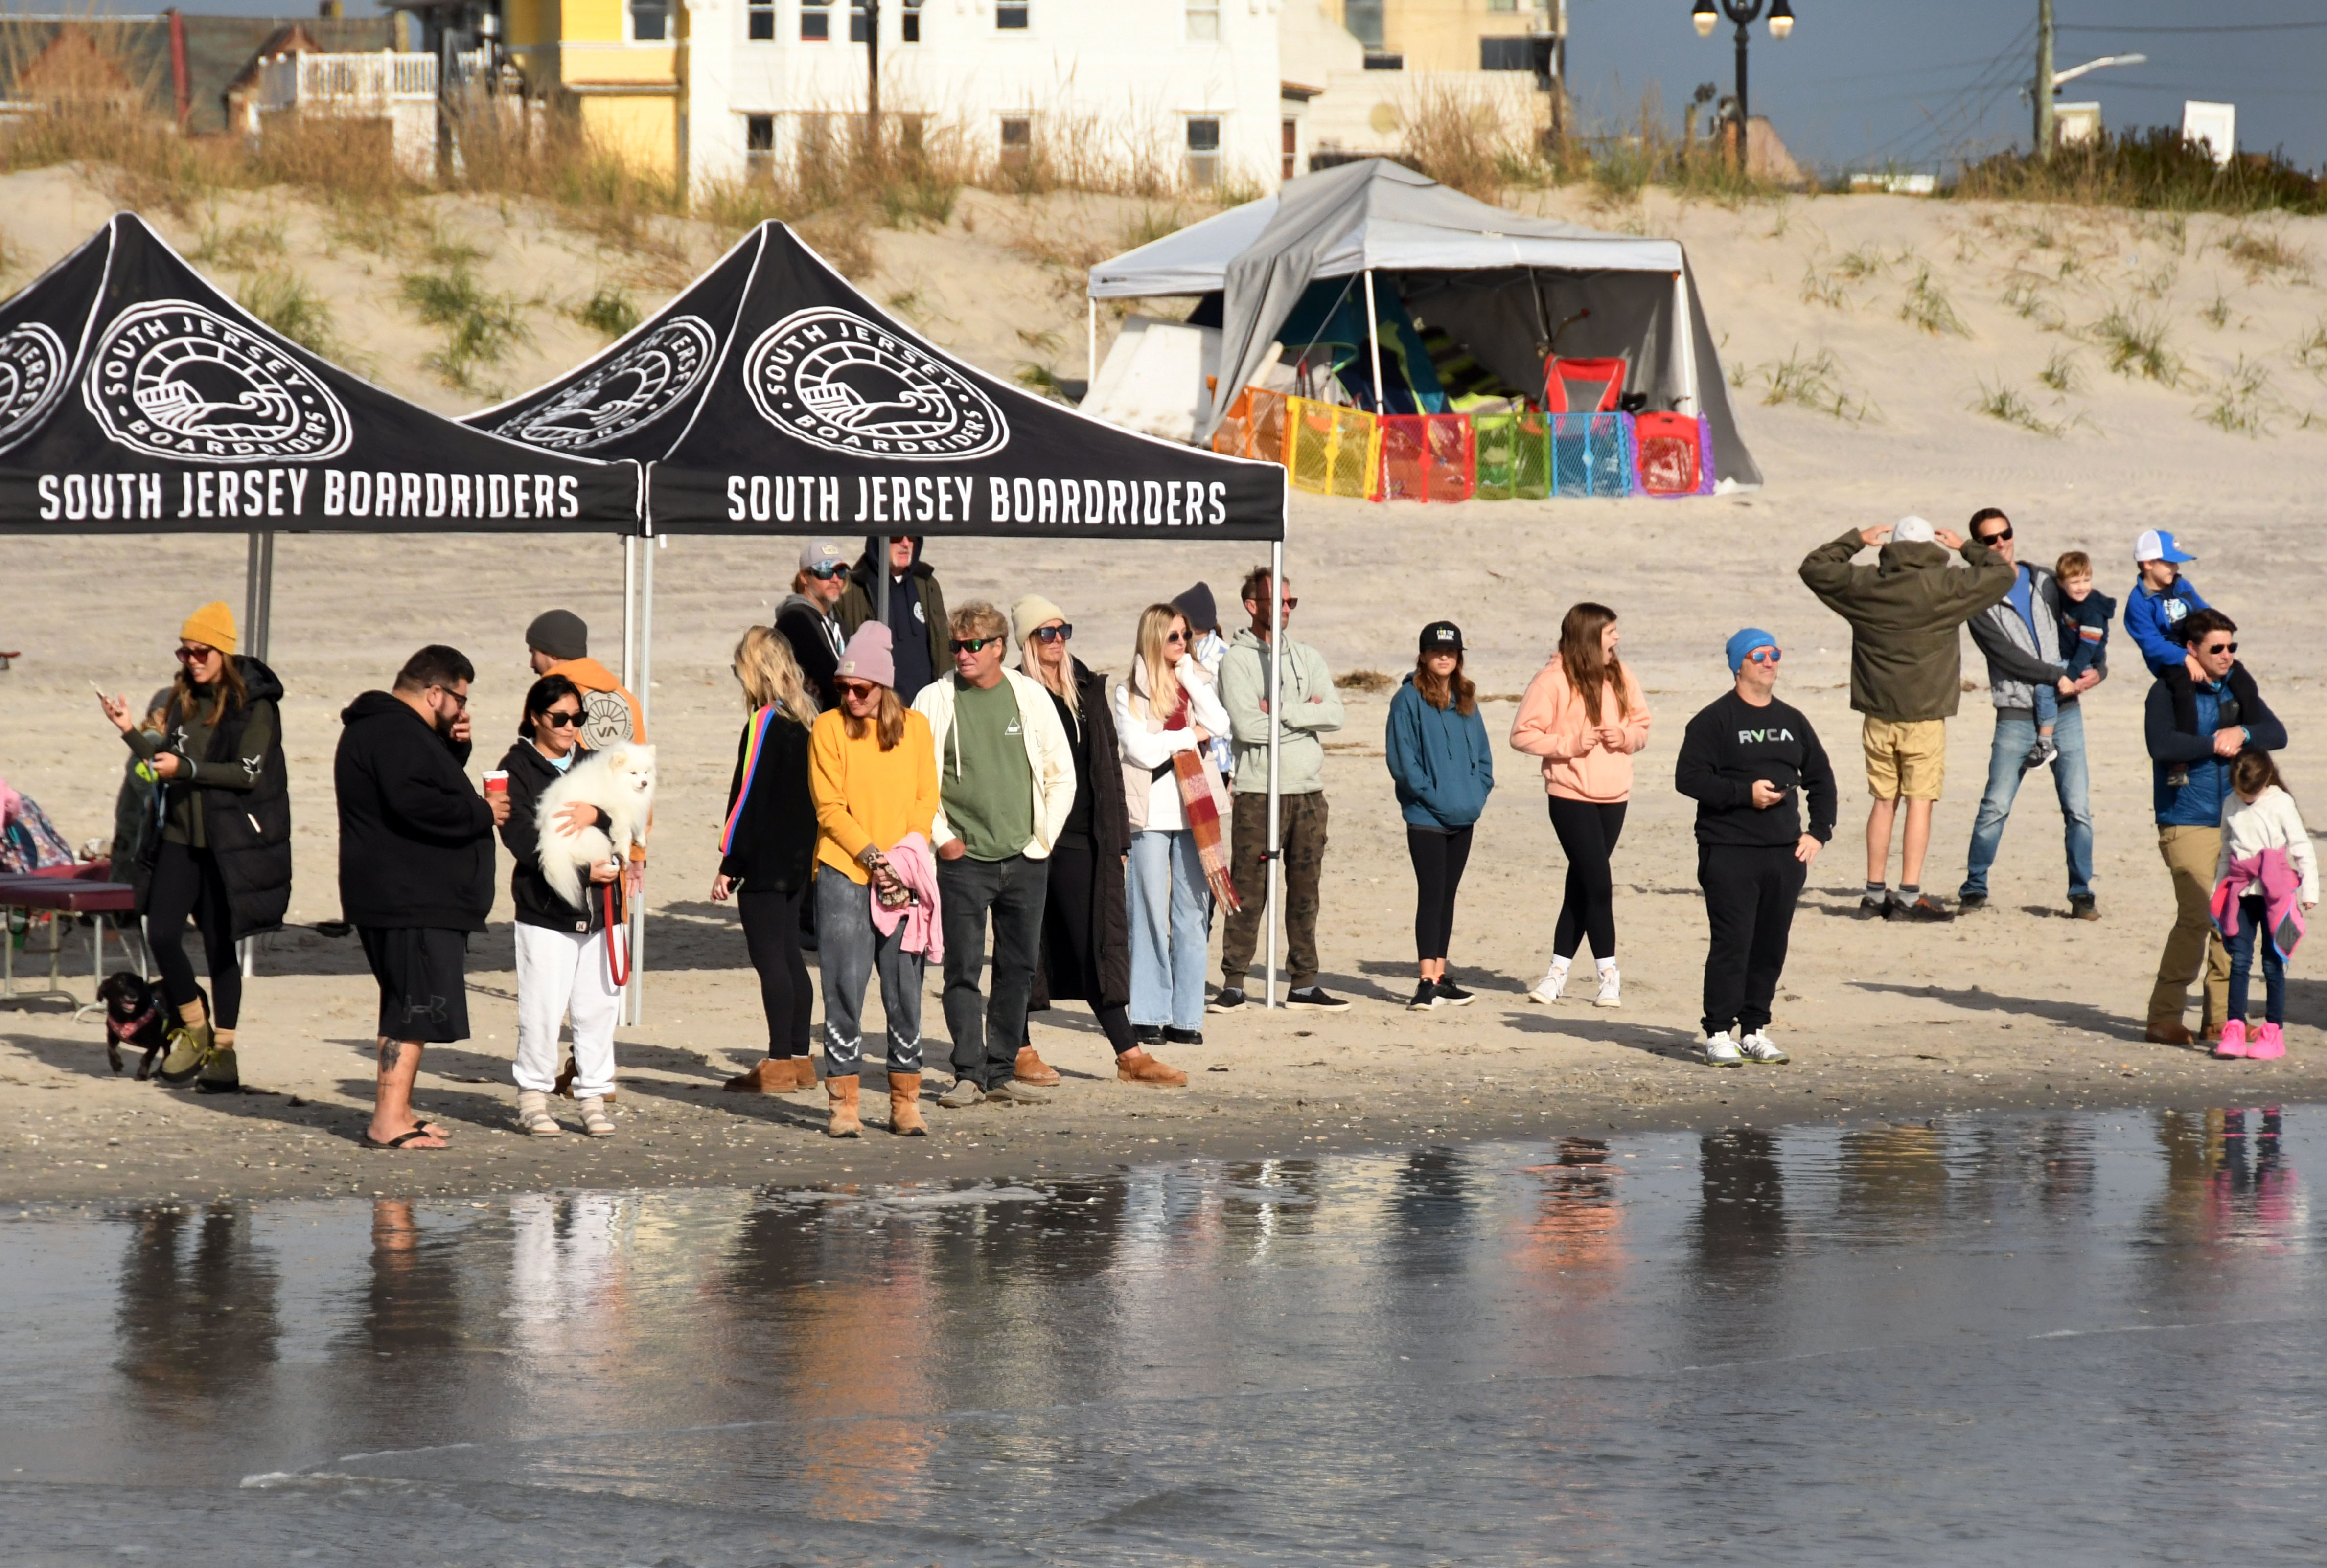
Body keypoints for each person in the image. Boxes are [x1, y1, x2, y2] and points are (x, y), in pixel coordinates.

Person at [97, 602, 291, 1093]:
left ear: (222, 650)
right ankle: (195, 1027)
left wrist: (184, 770)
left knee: (219, 948)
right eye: (184, 651)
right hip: (179, 838)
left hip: (228, 845)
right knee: (161, 934)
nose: (191, 659)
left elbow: (247, 774)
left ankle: (224, 1052)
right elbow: (168, 761)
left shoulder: (257, 705)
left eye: (200, 650)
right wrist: (128, 731)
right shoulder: (183, 698)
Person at [1799, 515, 2014, 922]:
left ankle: (1872, 893)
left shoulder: (1865, 584)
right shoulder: (1946, 585)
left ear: (1892, 548)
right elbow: (2002, 573)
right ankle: (1907, 895)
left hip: (1877, 714)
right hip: (1925, 715)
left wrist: (1855, 540)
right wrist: (1965, 547)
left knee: (1883, 802)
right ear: (1929, 549)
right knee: (1919, 802)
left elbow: (1813, 566)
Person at [335, 645, 508, 1151]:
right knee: (414, 1006)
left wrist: (452, 753)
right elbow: (415, 804)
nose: (461, 708)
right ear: (436, 692)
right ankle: (388, 1120)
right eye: (458, 698)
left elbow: (420, 787)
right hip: (409, 896)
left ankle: (400, 1111)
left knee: (406, 1003)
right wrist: (483, 813)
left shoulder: (394, 730)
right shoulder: (392, 730)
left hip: (404, 894)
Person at [1014, 594, 1187, 1087]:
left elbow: (1108, 766)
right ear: (1028, 639)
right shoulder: (1016, 690)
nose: (1056, 642)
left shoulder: (1086, 685)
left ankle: (1129, 1054)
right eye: (1046, 633)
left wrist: (1118, 837)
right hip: (1033, 834)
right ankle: (1019, 1046)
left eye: (1062, 631)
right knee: (1025, 943)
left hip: (1085, 836)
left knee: (1098, 942)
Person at [912, 602, 1077, 1108]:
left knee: (1019, 966)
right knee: (962, 968)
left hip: (1025, 858)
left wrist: (1042, 839)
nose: (962, 654)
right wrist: (945, 839)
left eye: (973, 645)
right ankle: (968, 1072)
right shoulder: (933, 699)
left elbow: (1060, 772)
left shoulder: (1028, 696)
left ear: (999, 647)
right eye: (956, 646)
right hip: (964, 861)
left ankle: (1002, 1068)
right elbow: (917, 780)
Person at [1675, 629, 1837, 1067]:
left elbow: (1821, 778)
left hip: (1784, 852)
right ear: (1738, 664)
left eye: (1774, 654)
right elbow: (1688, 778)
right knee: (1733, 942)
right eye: (1758, 655)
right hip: (1728, 848)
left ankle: (1753, 1029)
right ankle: (1717, 1032)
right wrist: (1744, 794)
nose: (1769, 662)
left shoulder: (1792, 719)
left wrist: (1818, 832)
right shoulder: (1714, 719)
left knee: (1770, 944)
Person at [810, 624, 941, 1136]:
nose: (850, 697)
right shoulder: (827, 729)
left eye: (860, 688)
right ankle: (844, 1103)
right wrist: (873, 858)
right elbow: (829, 807)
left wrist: (906, 853)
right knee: (843, 984)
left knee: (905, 986)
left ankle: (905, 1100)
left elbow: (925, 799)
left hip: (904, 868)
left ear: (883, 685)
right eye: (843, 688)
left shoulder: (917, 728)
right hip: (845, 869)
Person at [2145, 609, 2287, 1045]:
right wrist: (2213, 743)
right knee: (2195, 915)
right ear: (2191, 649)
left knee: (2230, 917)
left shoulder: (2236, 688)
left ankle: (2221, 1018)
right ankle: (2163, 1015)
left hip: (2233, 819)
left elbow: (2275, 732)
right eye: (2217, 649)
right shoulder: (2165, 691)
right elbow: (2161, 744)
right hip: (2184, 818)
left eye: (2232, 647)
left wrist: (2242, 731)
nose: (2227, 655)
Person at [1958, 510, 2104, 919]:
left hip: (2066, 710)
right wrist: (2056, 675)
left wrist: (2098, 669)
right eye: (1989, 540)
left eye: (2005, 534)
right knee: (1995, 806)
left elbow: (2084, 623)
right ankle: (1974, 887)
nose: (2001, 543)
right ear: (1977, 548)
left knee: (2078, 808)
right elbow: (2005, 656)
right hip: (2016, 713)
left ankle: (2081, 894)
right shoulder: (1977, 599)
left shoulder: (2043, 580)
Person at [1216, 565, 1348, 1012]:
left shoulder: (1307, 657)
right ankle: (1234, 980)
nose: (1287, 608)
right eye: (1279, 601)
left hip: (1307, 791)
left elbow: (1334, 714)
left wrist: (1285, 711)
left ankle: (1304, 981)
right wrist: (1300, 716)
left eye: (1292, 601)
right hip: (1258, 790)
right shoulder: (1236, 660)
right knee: (1248, 889)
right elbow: (1248, 726)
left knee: (1305, 888)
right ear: (1253, 605)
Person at [496, 674, 623, 1138]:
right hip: (545, 910)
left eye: (578, 718)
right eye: (561, 718)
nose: (571, 727)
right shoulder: (516, 769)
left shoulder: (595, 763)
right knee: (542, 1008)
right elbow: (524, 842)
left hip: (603, 908)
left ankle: (593, 1096)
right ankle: (533, 1095)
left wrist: (599, 815)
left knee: (597, 1009)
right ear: (535, 717)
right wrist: (581, 870)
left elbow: (628, 812)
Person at [1510, 603, 1650, 1008]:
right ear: (1589, 635)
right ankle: (1609, 975)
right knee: (1599, 884)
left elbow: (1642, 727)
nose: (1617, 639)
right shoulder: (1551, 680)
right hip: (1569, 795)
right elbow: (1522, 734)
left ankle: (1556, 973)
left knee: (1582, 884)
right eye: (1610, 632)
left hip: (1615, 795)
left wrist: (1623, 736)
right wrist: (1567, 745)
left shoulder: (1621, 676)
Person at [1116, 601, 1236, 1047]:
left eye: (1186, 635)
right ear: (1153, 638)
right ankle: (1148, 1011)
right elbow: (1141, 753)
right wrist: (1190, 735)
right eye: (1173, 637)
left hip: (1195, 812)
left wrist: (1187, 672)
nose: (1182, 643)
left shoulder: (1195, 678)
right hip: (1147, 814)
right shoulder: (1128, 691)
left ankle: (1186, 1016)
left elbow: (1221, 723)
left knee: (1191, 914)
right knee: (1146, 911)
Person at [713, 628, 825, 1097]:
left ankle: (780, 1058)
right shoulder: (809, 717)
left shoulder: (766, 721)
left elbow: (748, 797)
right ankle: (799, 1058)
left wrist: (730, 861)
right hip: (800, 856)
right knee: (790, 956)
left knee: (771, 959)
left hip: (767, 857)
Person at [1385, 621, 1494, 1011]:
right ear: (1423, 655)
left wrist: (1478, 792)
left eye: (1450, 651)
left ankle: (1440, 975)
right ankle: (1425, 982)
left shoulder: (1465, 696)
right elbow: (1403, 762)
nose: (1443, 656)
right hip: (1426, 816)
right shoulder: (1407, 699)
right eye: (1436, 650)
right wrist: (1434, 797)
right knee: (1431, 895)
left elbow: (1482, 755)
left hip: (1464, 815)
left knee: (1448, 896)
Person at [2211, 750, 2315, 1062]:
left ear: (2265, 782)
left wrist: (2310, 891)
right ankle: (2234, 1029)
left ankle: (2273, 1032)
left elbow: (2301, 847)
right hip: (2241, 892)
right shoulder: (2231, 803)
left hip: (2278, 894)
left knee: (2273, 962)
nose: (2246, 798)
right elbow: (2226, 850)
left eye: (2251, 793)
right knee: (2239, 959)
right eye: (2242, 793)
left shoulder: (2281, 802)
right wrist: (2217, 892)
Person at [2027, 550, 2113, 771]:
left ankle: (2045, 744)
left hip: (2084, 662)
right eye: (2075, 582)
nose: (2082, 586)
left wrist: (2070, 677)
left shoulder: (2091, 609)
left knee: (2045, 690)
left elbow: (2087, 647)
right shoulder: (2067, 598)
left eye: (2087, 580)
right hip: (2071, 657)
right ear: (2061, 583)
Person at [838, 535, 948, 702]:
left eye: (911, 537)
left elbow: (943, 646)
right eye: (896, 538)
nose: (905, 544)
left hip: (927, 707)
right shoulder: (854, 588)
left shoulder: (927, 583)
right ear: (879, 540)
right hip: (876, 709)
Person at [526, 609, 646, 748]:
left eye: (533, 653)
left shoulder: (547, 698)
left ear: (553, 653)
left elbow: (534, 760)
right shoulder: (628, 699)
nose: (532, 664)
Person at [777, 538, 852, 710]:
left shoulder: (838, 623)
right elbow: (825, 675)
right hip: (809, 720)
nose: (835, 579)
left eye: (840, 571)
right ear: (805, 577)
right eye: (826, 571)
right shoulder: (795, 619)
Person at [2124, 528, 2208, 677]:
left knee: (2239, 676)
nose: (2176, 567)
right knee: (2183, 684)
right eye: (2170, 563)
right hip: (2170, 663)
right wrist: (2185, 658)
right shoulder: (2138, 602)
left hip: (2197, 647)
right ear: (2149, 564)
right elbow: (2152, 644)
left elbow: (2205, 613)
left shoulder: (2182, 585)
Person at [1174, 582, 1234, 780]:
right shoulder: (1181, 653)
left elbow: (1234, 716)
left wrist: (1235, 772)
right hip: (1184, 755)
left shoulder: (1224, 658)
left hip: (1217, 761)